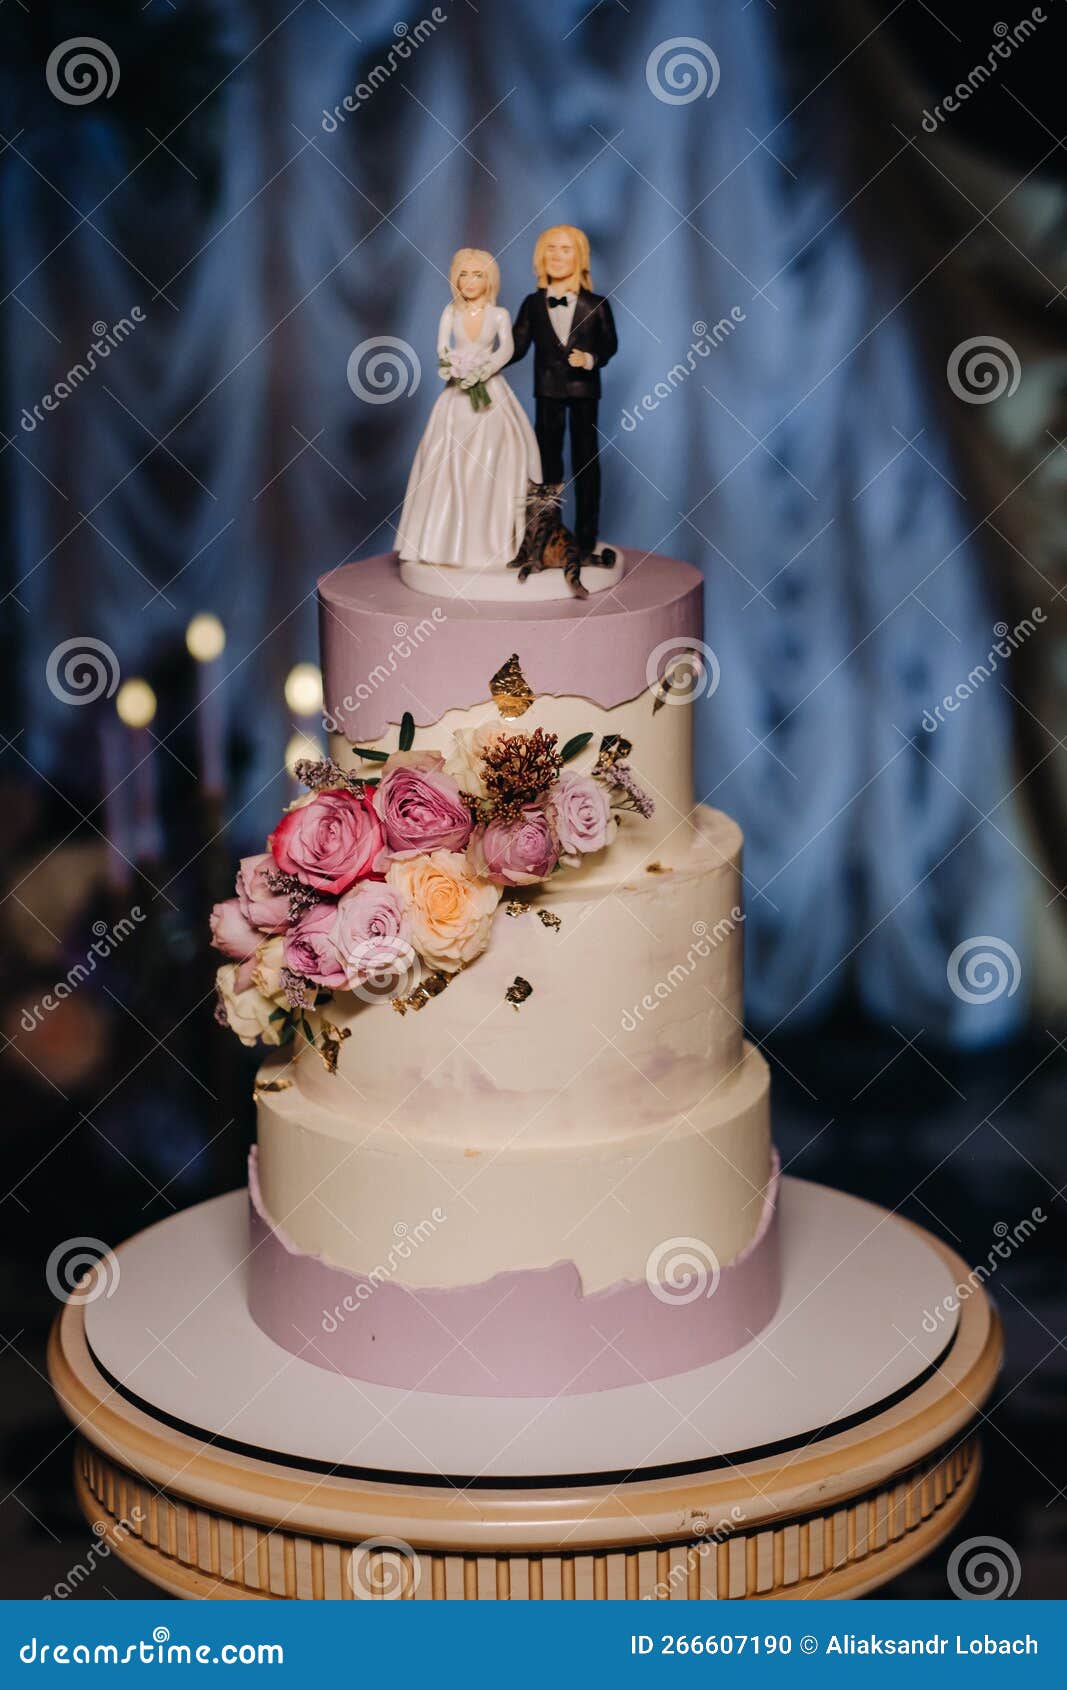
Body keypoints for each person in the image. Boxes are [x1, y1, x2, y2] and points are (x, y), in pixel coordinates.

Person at [396, 248, 541, 576]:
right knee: (446, 456)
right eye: (464, 274)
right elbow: (441, 346)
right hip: (456, 396)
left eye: (478, 274)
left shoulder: (500, 315)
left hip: (490, 391)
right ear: (455, 278)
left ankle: (494, 541)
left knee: (495, 453)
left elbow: (507, 347)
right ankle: (443, 542)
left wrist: (486, 366)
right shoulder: (451, 312)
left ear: (489, 279)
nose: (471, 281)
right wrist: (454, 365)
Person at [509, 225, 618, 559]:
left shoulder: (596, 304)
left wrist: (591, 359)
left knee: (586, 461)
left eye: (566, 249)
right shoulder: (532, 304)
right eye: (551, 249)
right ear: (541, 256)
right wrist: (483, 358)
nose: (557, 256)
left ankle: (586, 538)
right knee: (545, 463)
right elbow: (518, 346)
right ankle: (548, 533)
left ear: (580, 257)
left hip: (584, 390)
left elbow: (610, 345)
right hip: (547, 391)